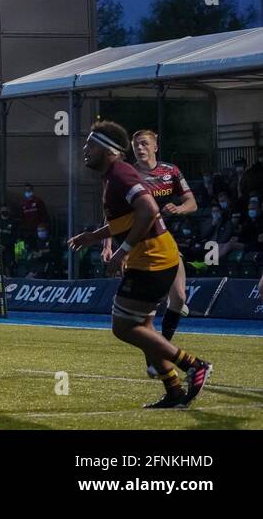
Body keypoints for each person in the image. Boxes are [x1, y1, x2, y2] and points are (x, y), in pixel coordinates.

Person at [66, 121, 212, 409]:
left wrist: (123, 251)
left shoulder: (120, 174)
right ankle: (173, 390)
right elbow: (128, 219)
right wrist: (93, 237)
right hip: (153, 258)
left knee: (122, 327)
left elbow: (149, 209)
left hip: (152, 260)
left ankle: (194, 365)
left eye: (90, 145)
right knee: (143, 326)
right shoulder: (114, 175)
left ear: (108, 149)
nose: (85, 150)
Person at [128, 129, 197, 374]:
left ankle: (159, 354)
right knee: (147, 309)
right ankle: (156, 359)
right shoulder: (129, 174)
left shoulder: (171, 172)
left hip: (169, 242)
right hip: (142, 244)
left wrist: (178, 209)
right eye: (136, 145)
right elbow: (112, 210)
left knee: (178, 298)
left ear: (155, 147)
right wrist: (107, 244)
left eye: (145, 144)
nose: (140, 148)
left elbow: (192, 203)